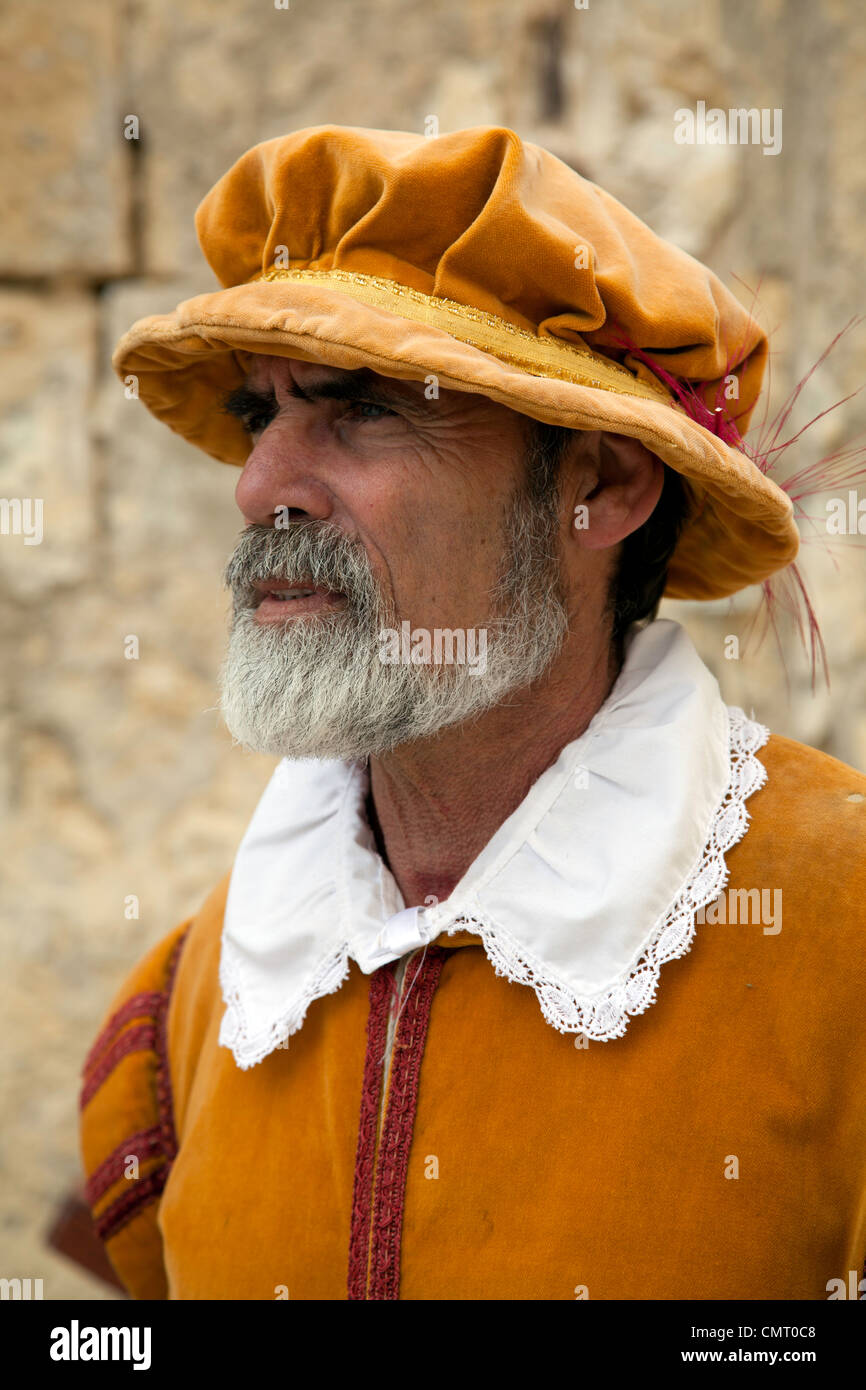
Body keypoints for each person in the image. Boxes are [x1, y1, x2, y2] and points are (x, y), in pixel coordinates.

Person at [79, 123, 866, 1301]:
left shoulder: (840, 926)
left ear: (598, 484)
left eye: (361, 409)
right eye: (261, 416)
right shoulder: (206, 986)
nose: (259, 488)